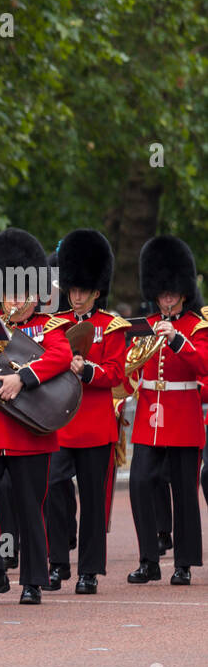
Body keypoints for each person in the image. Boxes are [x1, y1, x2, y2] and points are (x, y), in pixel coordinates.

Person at [0, 228, 73, 605]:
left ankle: (33, 579)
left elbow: (59, 356)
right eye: (9, 292)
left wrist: (22, 377)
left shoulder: (48, 324)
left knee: (31, 506)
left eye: (21, 293)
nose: (14, 301)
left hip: (29, 430)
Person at [44, 230, 128, 595]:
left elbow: (115, 374)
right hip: (62, 423)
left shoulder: (112, 327)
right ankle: (58, 559)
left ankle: (90, 570)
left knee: (94, 499)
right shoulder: (55, 324)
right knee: (52, 488)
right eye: (72, 289)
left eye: (83, 290)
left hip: (95, 424)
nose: (76, 296)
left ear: (96, 290)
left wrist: (86, 369)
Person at [126, 236, 208, 585]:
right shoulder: (144, 325)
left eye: (172, 293)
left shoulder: (197, 327)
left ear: (184, 292)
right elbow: (130, 369)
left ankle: (184, 563)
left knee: (185, 493)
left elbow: (203, 363)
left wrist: (176, 339)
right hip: (149, 417)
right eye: (162, 294)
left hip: (183, 416)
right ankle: (149, 559)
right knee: (140, 484)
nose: (167, 299)